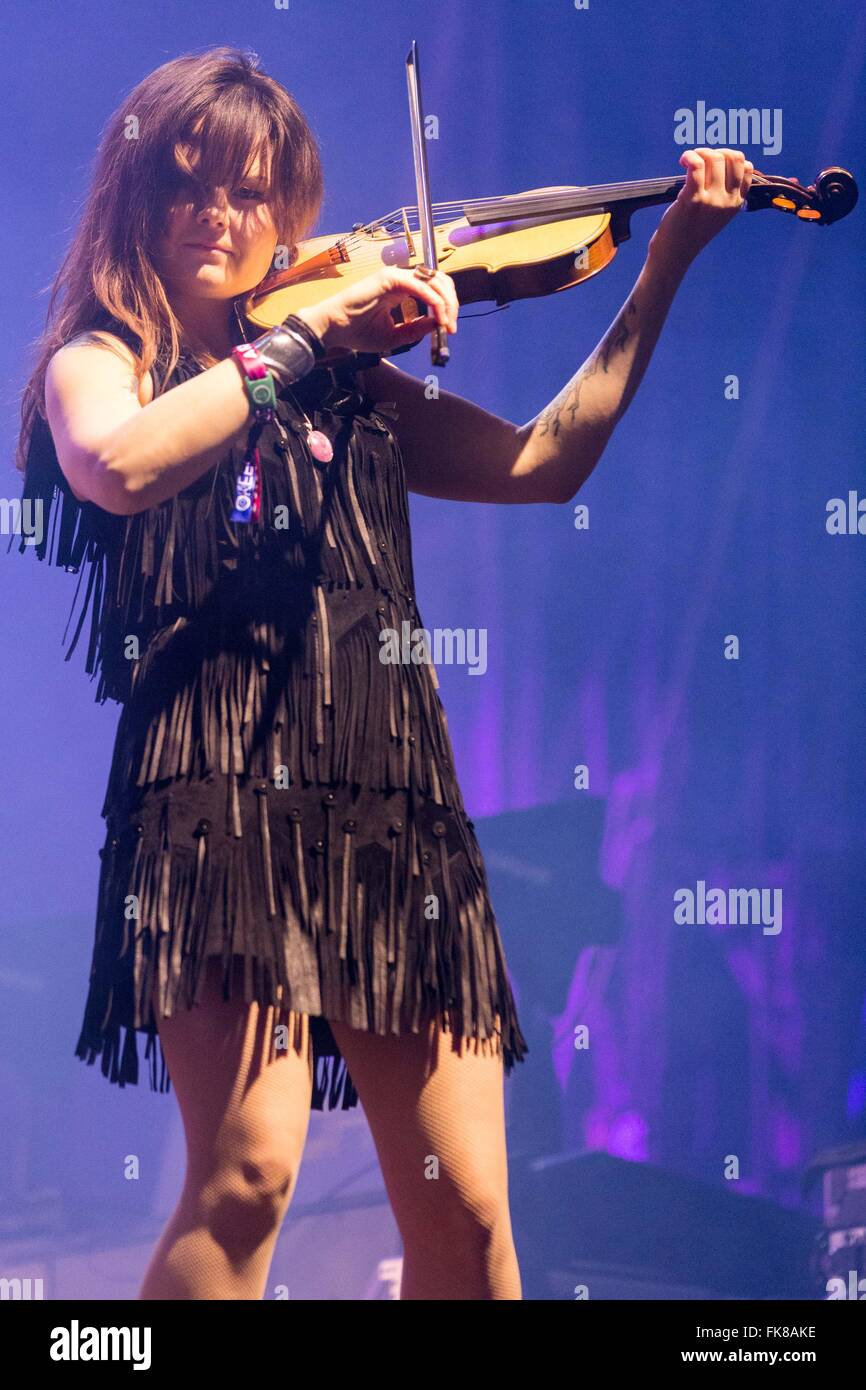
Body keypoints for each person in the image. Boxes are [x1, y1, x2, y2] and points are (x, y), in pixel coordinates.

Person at [11, 46, 752, 1301]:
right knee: (245, 1177)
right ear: (138, 199)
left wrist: (663, 263)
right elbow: (119, 465)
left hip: (389, 793)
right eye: (190, 184)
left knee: (465, 1213)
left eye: (252, 195)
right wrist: (302, 339)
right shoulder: (109, 351)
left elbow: (538, 466)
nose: (220, 216)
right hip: (219, 786)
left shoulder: (353, 382)